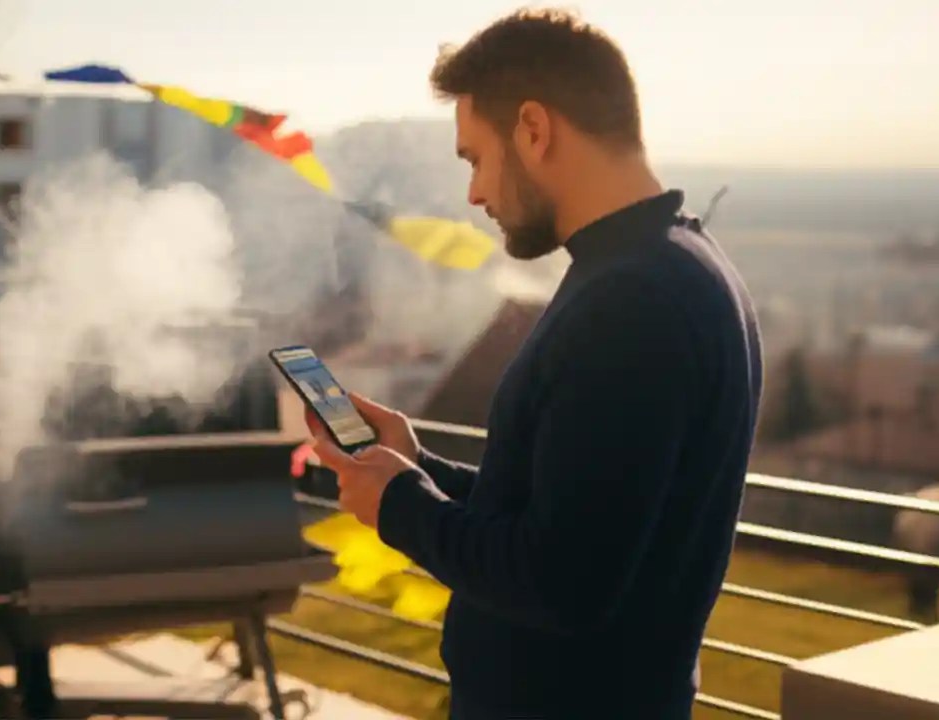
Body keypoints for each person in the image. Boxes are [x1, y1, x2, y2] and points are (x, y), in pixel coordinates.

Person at [304, 7, 762, 719]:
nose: (474, 192)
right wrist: (421, 467)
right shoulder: (676, 266)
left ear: (535, 129)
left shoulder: (632, 302)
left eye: (475, 158)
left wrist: (398, 505)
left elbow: (564, 580)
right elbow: (585, 506)